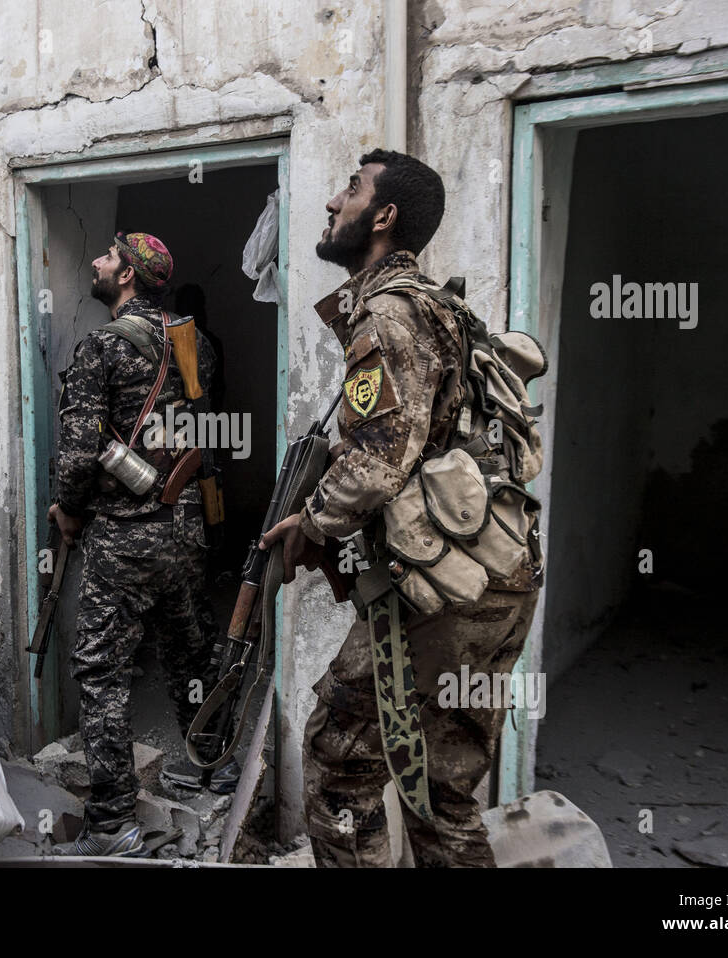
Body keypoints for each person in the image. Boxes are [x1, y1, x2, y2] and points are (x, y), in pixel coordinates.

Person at [260, 150, 544, 867]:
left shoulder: (388, 313)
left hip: (447, 599)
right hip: (500, 582)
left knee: (339, 770)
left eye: (350, 189)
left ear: (383, 217)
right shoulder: (444, 309)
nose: (332, 202)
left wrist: (312, 522)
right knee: (443, 795)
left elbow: (378, 461)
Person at [49, 231, 218, 856]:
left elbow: (78, 454)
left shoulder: (102, 348)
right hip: (185, 525)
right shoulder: (192, 340)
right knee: (189, 651)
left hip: (124, 536)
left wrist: (68, 512)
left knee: (101, 672)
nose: (94, 260)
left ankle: (113, 820)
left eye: (107, 256)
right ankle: (211, 766)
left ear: (126, 277)